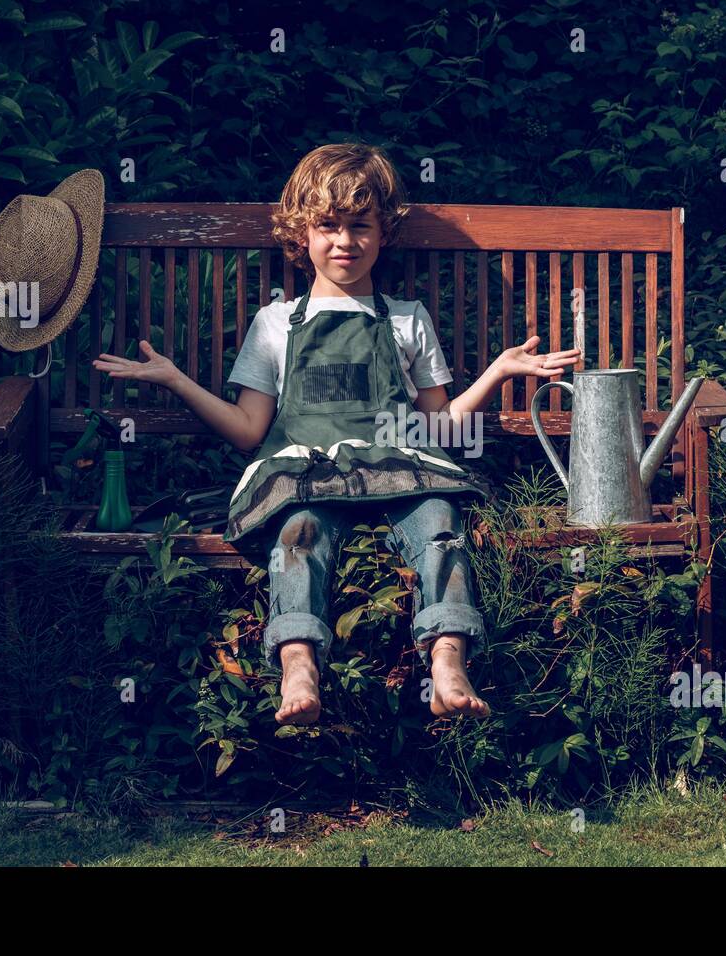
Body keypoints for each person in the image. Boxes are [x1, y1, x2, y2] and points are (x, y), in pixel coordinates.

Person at [93, 143, 579, 725]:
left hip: (400, 466)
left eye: (359, 225)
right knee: (298, 536)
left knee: (439, 524)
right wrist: (176, 380)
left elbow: (438, 428)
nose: (344, 241)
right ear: (302, 233)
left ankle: (448, 659)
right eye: (328, 226)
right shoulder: (276, 323)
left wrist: (497, 372)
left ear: (383, 233)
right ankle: (298, 663)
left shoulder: (406, 318)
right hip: (305, 472)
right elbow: (250, 432)